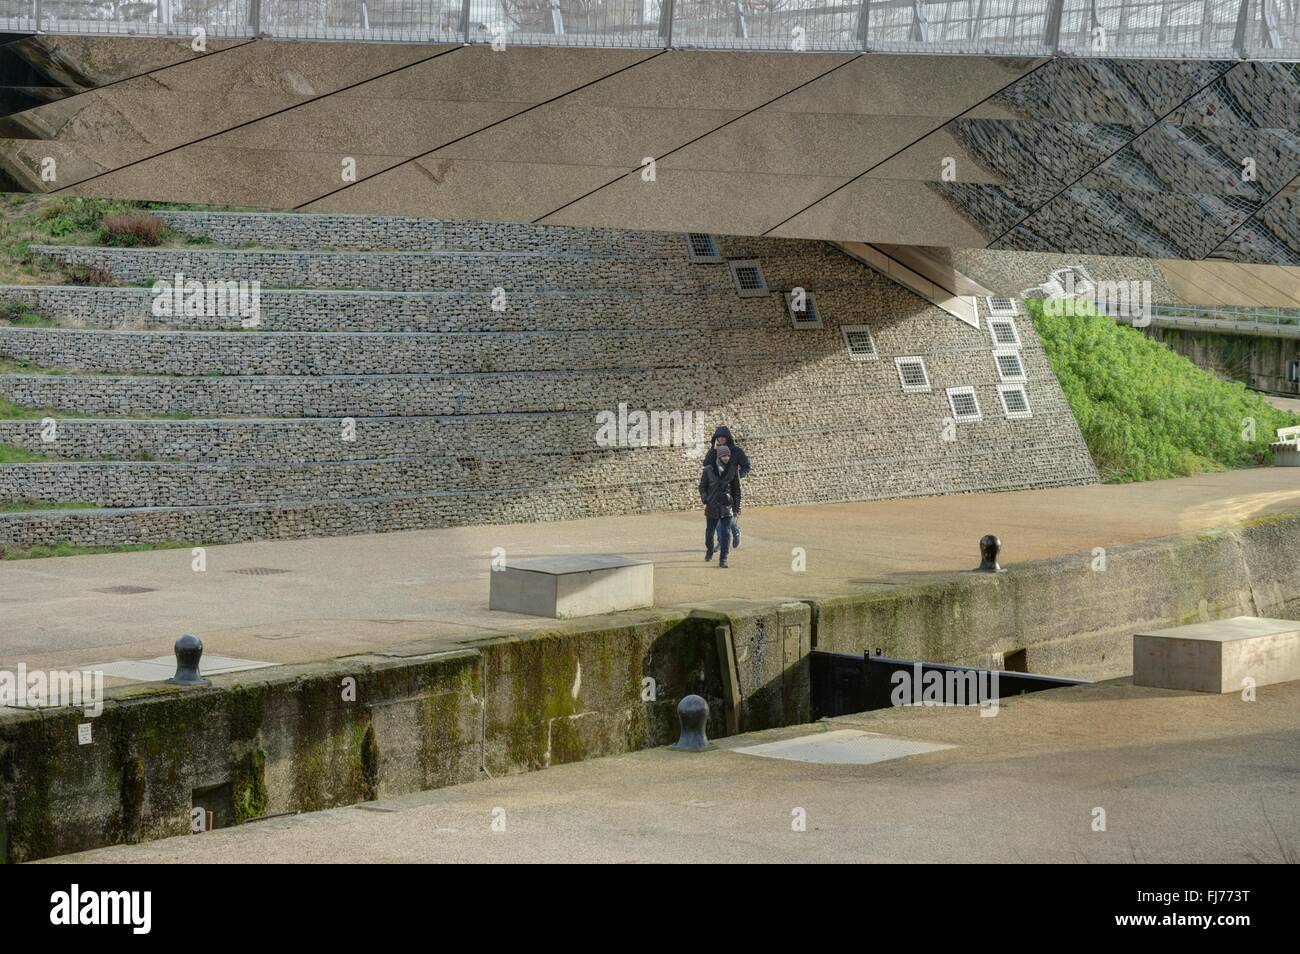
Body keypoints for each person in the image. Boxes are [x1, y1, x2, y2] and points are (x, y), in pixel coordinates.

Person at [702, 426, 750, 549]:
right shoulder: (713, 451)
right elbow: (706, 465)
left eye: (723, 437)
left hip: (733, 489)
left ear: (728, 438)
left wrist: (738, 475)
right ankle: (722, 542)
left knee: (731, 519)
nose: (721, 439)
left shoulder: (737, 452)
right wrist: (714, 451)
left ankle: (736, 531)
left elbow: (746, 466)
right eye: (718, 437)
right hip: (717, 490)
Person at [699, 444, 741, 568]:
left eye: (728, 455)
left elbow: (737, 490)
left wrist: (737, 507)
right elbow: (702, 486)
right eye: (724, 455)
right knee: (709, 533)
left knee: (725, 533)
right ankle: (710, 550)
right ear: (719, 456)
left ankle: (723, 558)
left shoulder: (733, 470)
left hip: (726, 506)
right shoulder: (708, 469)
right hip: (712, 505)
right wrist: (705, 499)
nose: (727, 458)